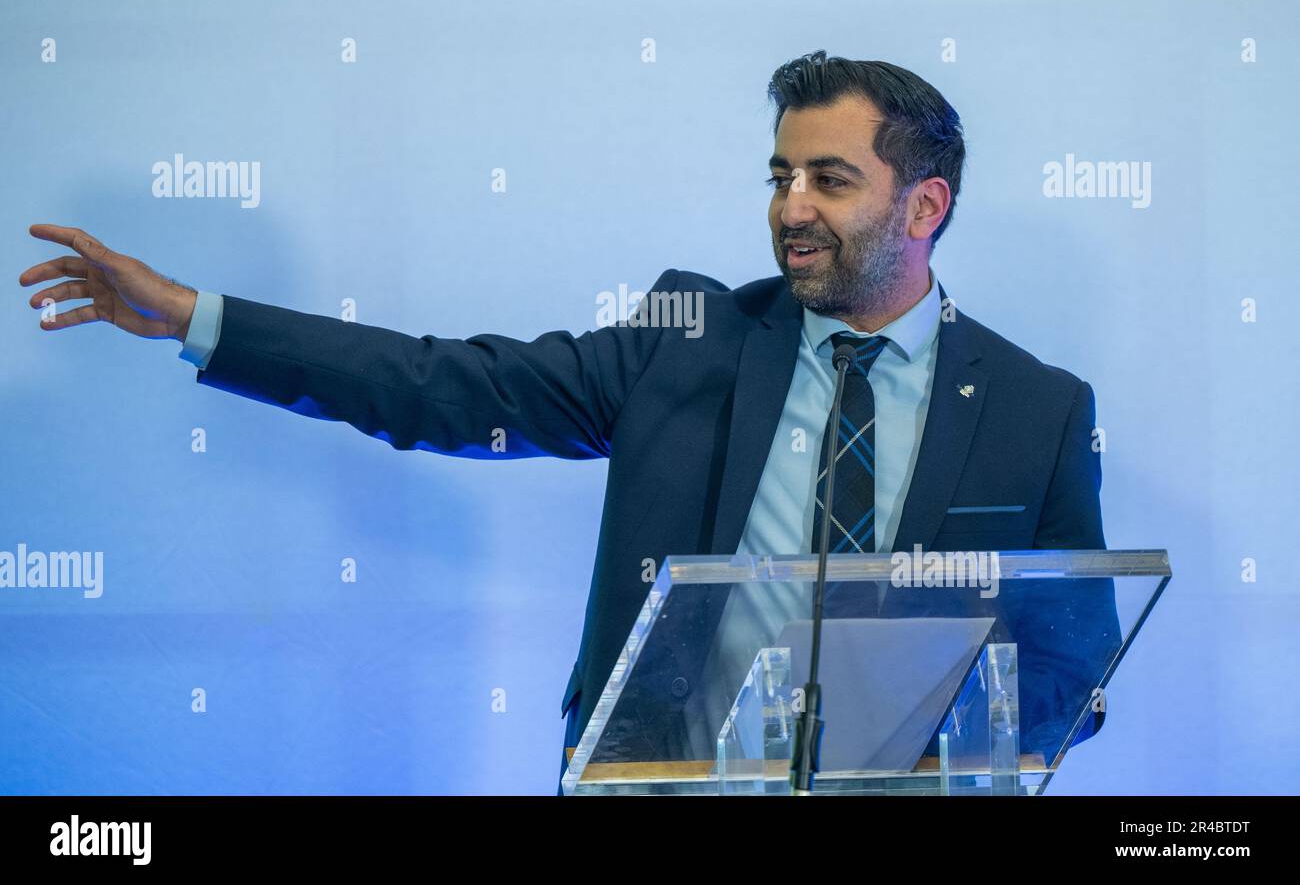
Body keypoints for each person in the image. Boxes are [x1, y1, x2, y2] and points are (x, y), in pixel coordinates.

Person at [18, 51, 1120, 794]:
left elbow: (1074, 663)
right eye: (780, 173)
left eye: (830, 179)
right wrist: (197, 317)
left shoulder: (1037, 406)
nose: (790, 207)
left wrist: (935, 749)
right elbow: (445, 384)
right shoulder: (689, 337)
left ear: (922, 206)